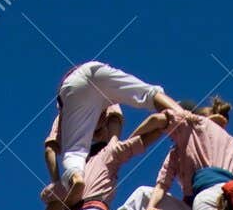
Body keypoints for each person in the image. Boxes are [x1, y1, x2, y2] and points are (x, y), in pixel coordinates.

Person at [52, 62, 189, 191]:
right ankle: (186, 117)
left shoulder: (65, 116)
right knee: (148, 93)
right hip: (93, 68)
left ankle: (76, 178)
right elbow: (114, 117)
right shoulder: (106, 103)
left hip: (70, 87)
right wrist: (113, 141)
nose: (98, 135)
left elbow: (49, 149)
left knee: (74, 151)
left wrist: (56, 182)